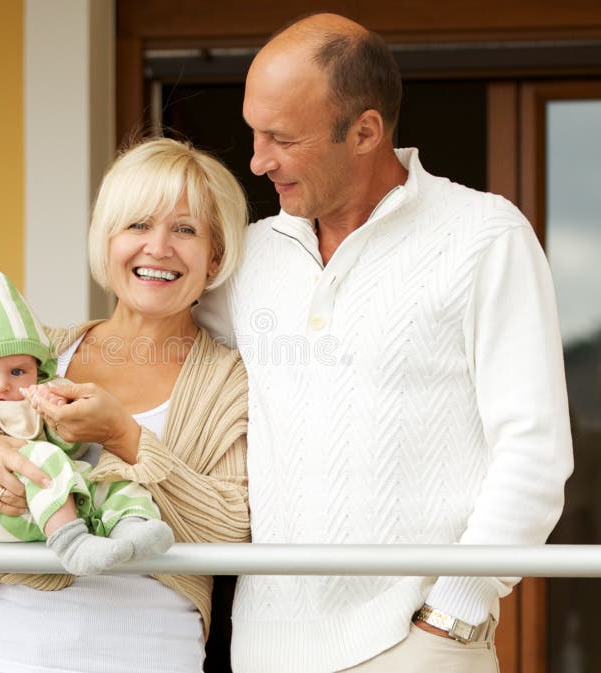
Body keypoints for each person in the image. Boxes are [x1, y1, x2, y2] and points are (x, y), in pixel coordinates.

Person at [194, 12, 574, 673]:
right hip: (262, 651)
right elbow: (155, 356)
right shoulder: (247, 258)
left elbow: (535, 452)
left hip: (417, 644)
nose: (256, 160)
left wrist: (454, 613)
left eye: (280, 137)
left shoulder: (485, 238)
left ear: (365, 130)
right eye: (254, 131)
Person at [0, 136, 250, 673]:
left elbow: (234, 528)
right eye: (138, 224)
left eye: (185, 229)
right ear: (108, 240)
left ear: (214, 256)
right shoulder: (35, 353)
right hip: (0, 651)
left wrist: (126, 437)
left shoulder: (231, 382)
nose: (158, 247)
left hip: (152, 656)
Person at [0, 261, 174, 575]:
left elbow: (75, 452)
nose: (1, 383)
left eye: (17, 372)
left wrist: (59, 422)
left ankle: (132, 526)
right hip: (3, 514)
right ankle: (74, 545)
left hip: (55, 503)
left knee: (112, 477)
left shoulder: (32, 396)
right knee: (41, 456)